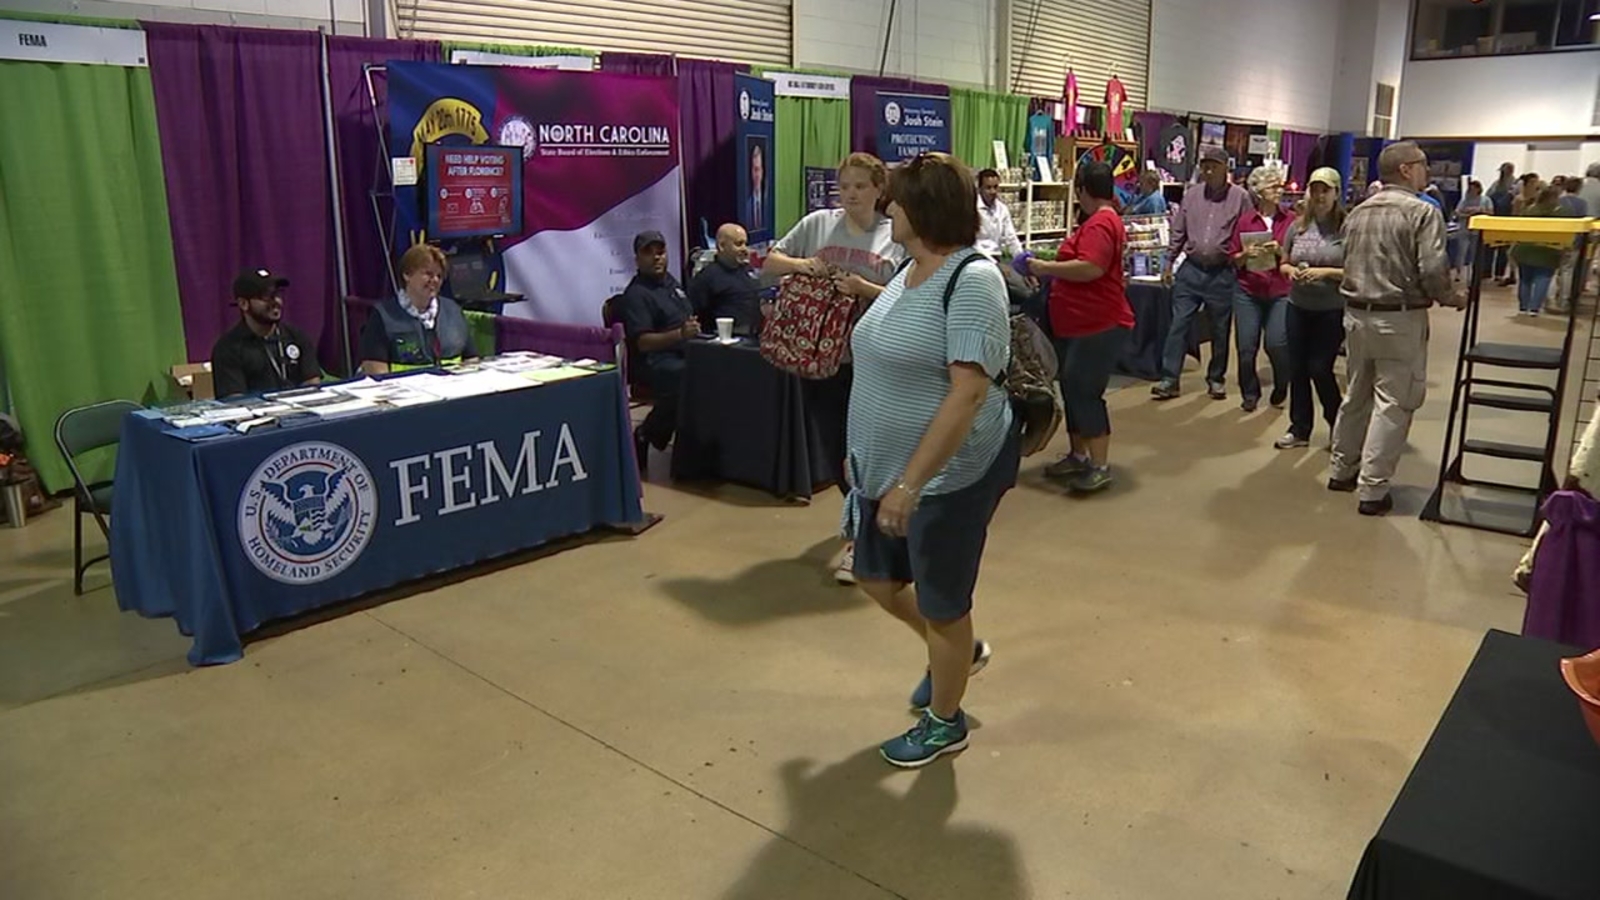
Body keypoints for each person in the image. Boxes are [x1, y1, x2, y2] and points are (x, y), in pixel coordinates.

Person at [843, 152, 1017, 767]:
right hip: (887, 469)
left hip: (948, 475)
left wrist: (911, 484)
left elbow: (967, 392)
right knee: (876, 579)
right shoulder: (907, 268)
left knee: (944, 601)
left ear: (927, 208)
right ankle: (957, 655)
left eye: (896, 199)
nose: (886, 208)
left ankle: (947, 721)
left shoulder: (972, 279)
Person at [765, 153, 904, 584]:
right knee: (835, 449)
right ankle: (860, 530)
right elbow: (770, 260)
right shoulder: (818, 224)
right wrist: (804, 265)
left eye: (861, 186)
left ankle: (870, 534)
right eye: (845, 186)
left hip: (877, 361)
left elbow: (909, 295)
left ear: (880, 190)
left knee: (870, 453)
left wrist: (864, 288)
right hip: (823, 359)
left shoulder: (894, 236)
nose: (851, 194)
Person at [1329, 141, 1462, 516]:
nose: (1428, 171)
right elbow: (1433, 270)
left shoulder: (1357, 213)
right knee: (1393, 401)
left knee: (1356, 394)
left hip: (1355, 315)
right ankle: (1372, 490)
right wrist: (1453, 297)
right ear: (1406, 169)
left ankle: (1342, 470)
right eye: (1423, 164)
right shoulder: (1422, 212)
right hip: (1399, 317)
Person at [1028, 160, 1134, 493]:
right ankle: (1078, 455)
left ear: (1083, 190)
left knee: (1084, 390)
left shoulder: (1102, 223)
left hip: (1097, 324)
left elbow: (1091, 267)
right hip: (1080, 323)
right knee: (1073, 388)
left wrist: (1045, 267)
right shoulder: (1100, 221)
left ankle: (1099, 464)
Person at [1153, 145, 1252, 401]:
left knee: (1220, 329)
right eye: (1204, 165)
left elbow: (1248, 233)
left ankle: (1216, 378)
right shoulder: (1192, 195)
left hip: (1222, 272)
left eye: (1213, 166)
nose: (1207, 171)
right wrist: (1168, 262)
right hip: (1192, 269)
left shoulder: (1240, 197)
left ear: (1225, 169)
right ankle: (1169, 378)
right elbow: (1178, 230)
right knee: (1178, 323)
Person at [1274, 168, 1346, 450]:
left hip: (1331, 310)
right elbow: (1284, 261)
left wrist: (1325, 273)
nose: (1319, 196)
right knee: (1297, 368)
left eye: (1325, 190)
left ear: (1336, 193)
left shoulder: (1346, 228)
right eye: (1314, 189)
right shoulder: (1298, 226)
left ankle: (1338, 423)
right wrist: (1289, 270)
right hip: (1298, 306)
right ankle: (1300, 428)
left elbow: (1354, 271)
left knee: (1319, 367)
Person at [616, 231, 696, 463]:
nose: (656, 258)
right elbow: (643, 343)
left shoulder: (671, 282)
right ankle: (645, 433)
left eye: (660, 252)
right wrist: (680, 334)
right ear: (637, 259)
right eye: (648, 253)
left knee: (718, 369)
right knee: (688, 378)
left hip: (685, 350)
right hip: (656, 360)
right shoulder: (636, 294)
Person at [1229, 166, 1294, 413]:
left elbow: (1298, 256)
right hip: (1248, 290)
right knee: (1246, 347)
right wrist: (1245, 255)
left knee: (1277, 343)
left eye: (1280, 186)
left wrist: (1281, 252)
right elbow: (1232, 258)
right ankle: (1249, 392)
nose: (1279, 191)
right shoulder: (1245, 221)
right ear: (1258, 191)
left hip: (1280, 291)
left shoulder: (1290, 220)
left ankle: (1281, 382)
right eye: (1273, 187)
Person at [359, 244, 478, 375]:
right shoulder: (383, 316)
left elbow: (471, 360)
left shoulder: (454, 311)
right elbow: (376, 372)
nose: (434, 280)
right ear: (407, 275)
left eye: (439, 276)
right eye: (428, 274)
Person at [210, 267, 320, 398]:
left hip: (300, 415)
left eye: (278, 294)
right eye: (266, 296)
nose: (276, 302)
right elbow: (235, 401)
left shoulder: (296, 337)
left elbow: (312, 383)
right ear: (244, 304)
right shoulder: (227, 348)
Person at [687, 223, 762, 336]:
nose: (745, 249)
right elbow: (696, 317)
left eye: (745, 244)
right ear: (722, 246)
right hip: (725, 345)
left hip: (754, 340)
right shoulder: (706, 278)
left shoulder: (748, 271)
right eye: (738, 244)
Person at [1510, 185, 1564, 317]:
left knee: (1525, 279)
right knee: (1543, 279)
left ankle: (1523, 307)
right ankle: (1534, 309)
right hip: (1548, 251)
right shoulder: (1560, 212)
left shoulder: (1529, 209)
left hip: (1525, 249)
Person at [974, 168, 1023, 259]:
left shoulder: (1002, 209)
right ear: (980, 189)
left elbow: (1011, 238)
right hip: (976, 256)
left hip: (996, 255)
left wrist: (1021, 258)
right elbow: (969, 242)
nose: (993, 191)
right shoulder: (971, 208)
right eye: (988, 188)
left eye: (995, 187)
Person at [1452, 180, 1491, 278]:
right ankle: (1458, 272)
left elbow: (1490, 212)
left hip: (1477, 230)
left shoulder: (1485, 200)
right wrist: (1466, 214)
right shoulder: (1464, 200)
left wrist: (1480, 211)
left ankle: (1473, 272)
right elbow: (1457, 212)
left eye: (1474, 188)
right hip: (1465, 227)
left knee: (1475, 252)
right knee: (1462, 251)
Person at [1487, 162, 1518, 284]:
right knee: (1490, 247)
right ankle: (1486, 271)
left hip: (1507, 220)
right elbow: (1489, 196)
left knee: (1504, 249)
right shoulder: (1496, 184)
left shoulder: (1514, 185)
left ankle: (1500, 273)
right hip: (1494, 219)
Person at [747, 142, 766, 232]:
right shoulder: (746, 205)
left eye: (759, 169)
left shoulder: (768, 201)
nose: (757, 175)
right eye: (755, 170)